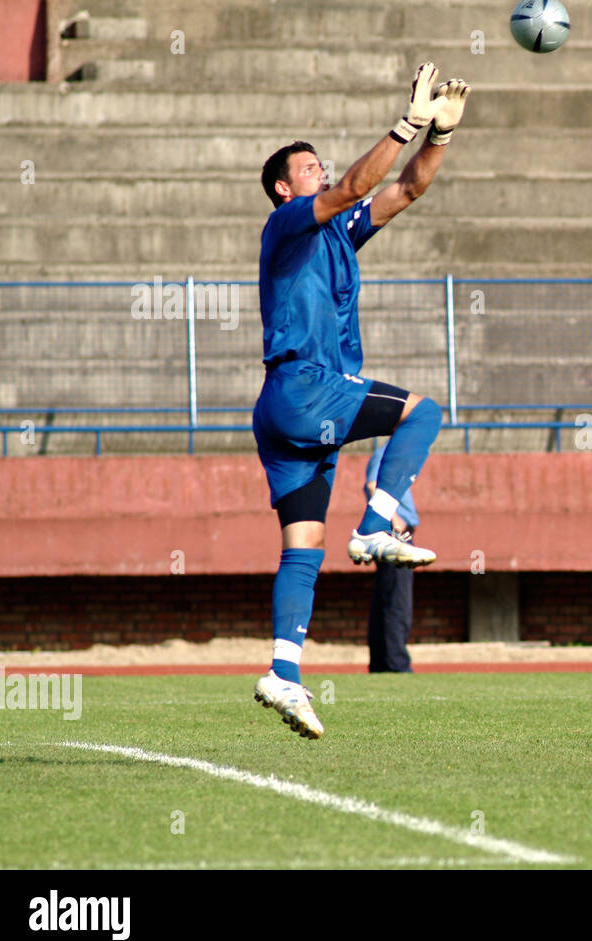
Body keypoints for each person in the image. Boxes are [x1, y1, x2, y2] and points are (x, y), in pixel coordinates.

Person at [250, 63, 470, 739]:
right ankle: (377, 525)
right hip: (305, 387)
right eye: (310, 167)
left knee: (302, 548)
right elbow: (355, 184)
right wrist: (404, 122)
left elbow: (404, 188)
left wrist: (437, 137)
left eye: (321, 165)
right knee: (424, 412)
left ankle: (283, 676)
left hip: (283, 415)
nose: (324, 171)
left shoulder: (339, 235)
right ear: (286, 189)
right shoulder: (290, 224)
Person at [365, 440, 419, 674]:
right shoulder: (386, 453)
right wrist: (394, 518)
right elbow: (373, 484)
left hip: (392, 532)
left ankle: (381, 662)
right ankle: (396, 663)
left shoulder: (391, 454)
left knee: (387, 597)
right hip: (394, 534)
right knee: (397, 600)